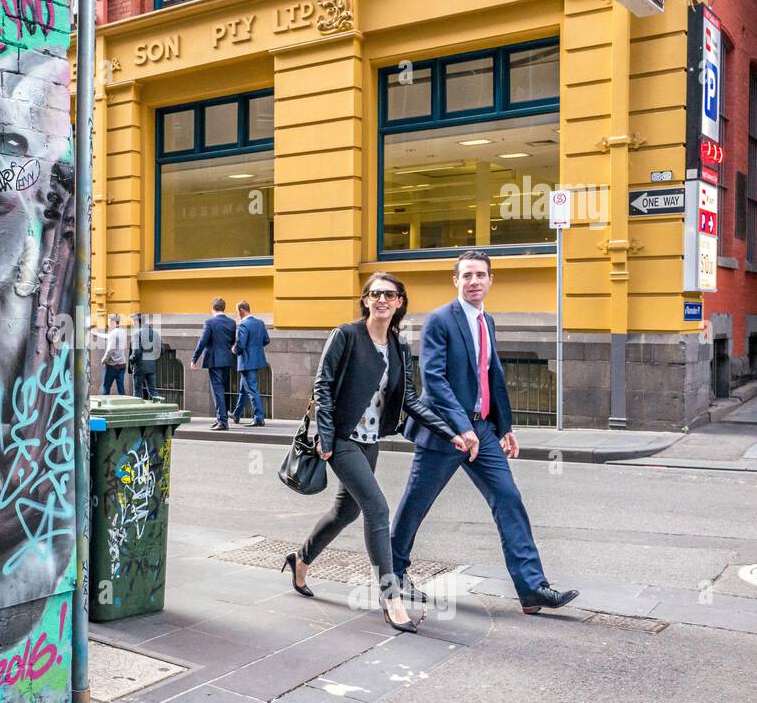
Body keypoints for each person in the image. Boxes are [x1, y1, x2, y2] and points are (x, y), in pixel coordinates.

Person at [388, 250, 580, 615]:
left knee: (508, 498)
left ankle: (532, 587)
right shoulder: (440, 320)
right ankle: (393, 576)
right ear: (455, 281)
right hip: (446, 431)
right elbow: (434, 379)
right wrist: (461, 427)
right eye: (467, 275)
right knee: (415, 505)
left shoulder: (486, 321)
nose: (474, 281)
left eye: (481, 275)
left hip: (483, 428)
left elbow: (492, 375)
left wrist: (504, 427)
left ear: (490, 280)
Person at [283, 273, 467, 634]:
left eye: (390, 294)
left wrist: (451, 433)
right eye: (375, 294)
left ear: (400, 302)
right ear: (365, 300)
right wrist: (325, 433)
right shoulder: (346, 335)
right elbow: (322, 385)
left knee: (344, 511)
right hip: (341, 439)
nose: (382, 300)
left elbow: (410, 400)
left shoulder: (399, 347)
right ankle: (391, 597)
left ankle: (300, 558)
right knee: (378, 508)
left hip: (370, 441)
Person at [189, 298, 237, 430]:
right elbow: (232, 341)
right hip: (227, 359)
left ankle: (222, 421)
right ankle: (221, 418)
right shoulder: (232, 322)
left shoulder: (209, 322)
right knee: (224, 390)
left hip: (214, 360)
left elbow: (202, 341)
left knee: (217, 391)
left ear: (213, 308)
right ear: (223, 308)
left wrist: (194, 359)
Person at [230, 301, 270, 426]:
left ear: (242, 310)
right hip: (257, 360)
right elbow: (266, 340)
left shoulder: (243, 325)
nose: (237, 313)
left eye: (237, 311)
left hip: (246, 362)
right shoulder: (260, 323)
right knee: (243, 389)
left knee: (252, 390)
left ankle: (259, 417)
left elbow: (240, 346)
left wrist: (233, 349)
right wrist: (255, 350)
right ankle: (236, 414)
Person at [130, 312, 161, 400]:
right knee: (153, 390)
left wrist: (131, 360)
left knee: (137, 390)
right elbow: (161, 349)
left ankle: (137, 411)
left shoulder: (137, 334)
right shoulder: (155, 333)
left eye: (132, 321)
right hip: (151, 365)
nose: (132, 323)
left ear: (136, 321)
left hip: (139, 366)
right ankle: (161, 406)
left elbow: (136, 352)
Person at [100, 313, 128, 395]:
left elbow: (110, 350)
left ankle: (104, 406)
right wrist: (96, 334)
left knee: (106, 386)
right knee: (121, 387)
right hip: (122, 364)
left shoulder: (113, 333)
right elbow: (109, 336)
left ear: (113, 322)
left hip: (112, 366)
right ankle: (124, 405)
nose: (108, 324)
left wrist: (104, 360)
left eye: (109, 322)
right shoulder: (123, 331)